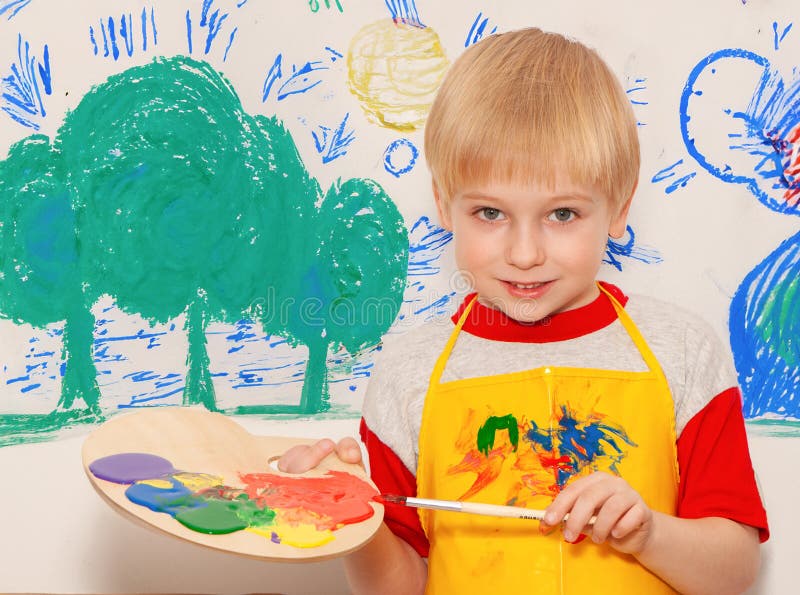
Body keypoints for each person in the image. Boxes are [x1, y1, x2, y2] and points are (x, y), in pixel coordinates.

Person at [279, 27, 769, 594]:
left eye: (562, 214)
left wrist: (647, 534)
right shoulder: (408, 370)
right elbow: (397, 587)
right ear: (444, 204)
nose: (525, 254)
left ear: (619, 206)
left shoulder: (682, 351)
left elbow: (734, 575)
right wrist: (352, 515)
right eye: (490, 213)